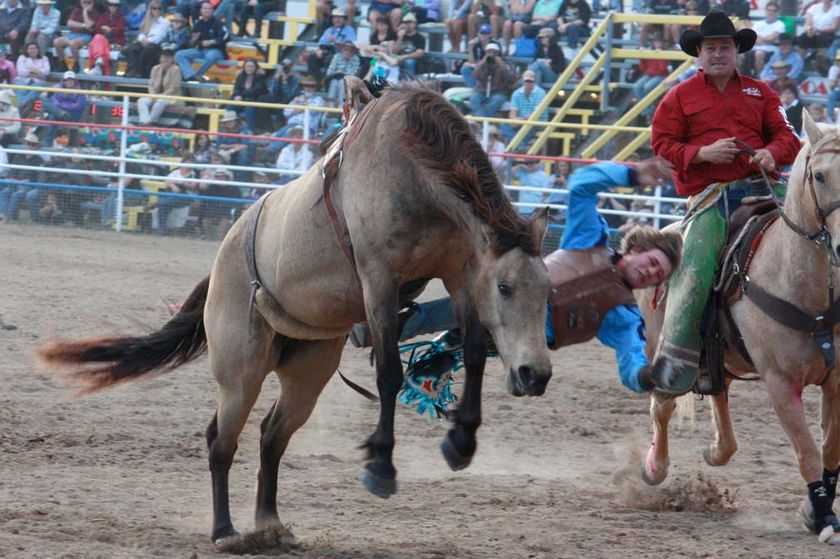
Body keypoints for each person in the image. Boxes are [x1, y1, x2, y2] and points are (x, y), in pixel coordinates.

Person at [350, 159, 689, 396]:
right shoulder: (591, 239)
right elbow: (583, 185)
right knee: (451, 313)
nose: (651, 273)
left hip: (524, 343)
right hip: (509, 299)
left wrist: (646, 376)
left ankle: (433, 357)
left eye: (658, 276)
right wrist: (630, 175)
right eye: (653, 262)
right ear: (638, 247)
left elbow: (631, 358)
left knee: (479, 346)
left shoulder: (626, 315)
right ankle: (370, 331)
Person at [650, 12, 800, 394]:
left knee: (818, 233)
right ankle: (686, 358)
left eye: (725, 48)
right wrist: (702, 154)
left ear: (737, 52)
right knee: (696, 268)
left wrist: (770, 152)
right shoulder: (678, 97)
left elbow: (788, 138)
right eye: (711, 48)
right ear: (698, 54)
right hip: (710, 196)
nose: (718, 54)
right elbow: (662, 146)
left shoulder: (761, 92)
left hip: (763, 188)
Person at [268, 75, 325, 155]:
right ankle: (269, 151)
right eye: (306, 86)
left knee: (287, 135)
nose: (309, 88)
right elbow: (286, 112)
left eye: (312, 86)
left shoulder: (319, 100)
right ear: (303, 87)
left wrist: (300, 106)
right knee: (277, 135)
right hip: (291, 124)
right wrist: (302, 107)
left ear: (315, 88)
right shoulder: (297, 98)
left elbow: (313, 111)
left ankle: (270, 150)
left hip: (306, 127)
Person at [175, 1, 229, 82]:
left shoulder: (219, 23)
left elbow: (226, 36)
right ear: (201, 11)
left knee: (211, 56)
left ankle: (198, 75)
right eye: (205, 8)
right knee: (179, 54)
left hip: (216, 50)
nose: (207, 10)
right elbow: (192, 41)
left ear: (213, 10)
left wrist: (212, 42)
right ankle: (190, 75)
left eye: (209, 8)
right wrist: (194, 41)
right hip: (200, 50)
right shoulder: (198, 23)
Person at [0, 133, 45, 222]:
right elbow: (12, 172)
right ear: (25, 144)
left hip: (29, 185)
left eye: (33, 144)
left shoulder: (39, 160)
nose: (30, 146)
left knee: (16, 194)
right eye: (28, 143)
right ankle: (2, 216)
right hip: (16, 183)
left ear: (36, 146)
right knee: (5, 192)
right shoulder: (18, 157)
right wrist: (14, 179)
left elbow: (39, 177)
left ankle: (8, 218)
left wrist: (28, 181)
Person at [123, 1, 170, 78]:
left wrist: (149, 41)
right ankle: (131, 71)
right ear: (150, 9)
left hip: (156, 45)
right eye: (154, 8)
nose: (157, 10)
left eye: (159, 8)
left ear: (161, 10)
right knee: (134, 48)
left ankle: (143, 73)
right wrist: (143, 40)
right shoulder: (147, 20)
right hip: (145, 41)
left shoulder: (165, 22)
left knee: (147, 50)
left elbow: (161, 36)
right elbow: (141, 33)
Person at [307, 9, 356, 83]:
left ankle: (327, 81)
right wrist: (319, 50)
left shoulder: (349, 30)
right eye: (335, 17)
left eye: (340, 17)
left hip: (341, 54)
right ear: (332, 19)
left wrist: (336, 42)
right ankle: (319, 81)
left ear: (344, 19)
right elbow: (321, 43)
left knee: (330, 58)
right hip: (327, 52)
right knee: (311, 58)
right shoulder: (329, 30)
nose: (337, 20)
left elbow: (350, 45)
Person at [41, 71, 88, 147]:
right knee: (48, 106)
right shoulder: (59, 88)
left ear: (74, 81)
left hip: (72, 116)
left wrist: (61, 107)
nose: (69, 82)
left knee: (52, 112)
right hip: (60, 114)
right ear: (64, 81)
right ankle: (48, 145)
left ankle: (47, 143)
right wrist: (61, 110)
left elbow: (78, 106)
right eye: (67, 80)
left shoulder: (80, 91)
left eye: (71, 80)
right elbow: (54, 100)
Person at [469, 42, 516, 117]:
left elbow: (511, 79)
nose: (492, 54)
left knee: (498, 100)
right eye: (489, 52)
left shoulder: (506, 65)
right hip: (481, 90)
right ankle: (483, 119)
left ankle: (481, 119)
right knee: (474, 98)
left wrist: (502, 66)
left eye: (494, 52)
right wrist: (482, 63)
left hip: (498, 91)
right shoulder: (482, 64)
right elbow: (475, 76)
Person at [153, 155, 197, 233]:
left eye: (191, 162)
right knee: (164, 205)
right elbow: (167, 181)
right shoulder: (176, 171)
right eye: (187, 161)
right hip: (172, 194)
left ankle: (156, 204)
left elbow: (193, 186)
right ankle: (162, 230)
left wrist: (183, 183)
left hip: (186, 196)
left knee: (164, 202)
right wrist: (173, 186)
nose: (188, 164)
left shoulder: (193, 173)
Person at [54, 0, 101, 73]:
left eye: (89, 2)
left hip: (86, 36)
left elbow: (90, 25)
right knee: (57, 42)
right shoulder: (76, 11)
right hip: (72, 34)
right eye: (84, 2)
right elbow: (69, 23)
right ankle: (63, 63)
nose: (86, 4)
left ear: (93, 3)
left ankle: (76, 64)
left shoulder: (95, 13)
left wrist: (85, 12)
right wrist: (83, 25)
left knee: (73, 44)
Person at [138, 49, 182, 125]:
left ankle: (151, 122)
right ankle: (144, 121)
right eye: (164, 57)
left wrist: (161, 96)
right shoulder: (155, 68)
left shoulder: (176, 69)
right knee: (141, 101)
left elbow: (174, 88)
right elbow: (151, 85)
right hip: (155, 95)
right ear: (160, 58)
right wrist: (154, 95)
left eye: (168, 57)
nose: (166, 59)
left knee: (160, 102)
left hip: (171, 97)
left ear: (172, 59)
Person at [501, 69, 547, 142]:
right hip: (522, 121)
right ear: (523, 81)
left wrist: (518, 120)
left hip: (537, 122)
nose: (528, 83)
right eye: (526, 81)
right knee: (504, 125)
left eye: (530, 81)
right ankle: (521, 147)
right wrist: (515, 120)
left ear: (534, 81)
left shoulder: (541, 93)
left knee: (529, 126)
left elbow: (536, 114)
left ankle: (517, 147)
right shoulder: (516, 93)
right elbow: (513, 113)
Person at [230, 57, 268, 130]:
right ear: (244, 67)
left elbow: (254, 91)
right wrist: (237, 95)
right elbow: (236, 88)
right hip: (243, 100)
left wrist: (241, 95)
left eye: (252, 66)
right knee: (230, 108)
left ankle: (251, 130)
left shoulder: (260, 77)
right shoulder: (240, 76)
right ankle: (231, 129)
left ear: (256, 67)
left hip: (256, 100)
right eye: (247, 66)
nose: (249, 68)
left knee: (249, 108)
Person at [216, 110, 252, 183]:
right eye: (227, 121)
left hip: (238, 153)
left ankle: (240, 180)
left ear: (235, 121)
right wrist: (234, 146)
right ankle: (221, 177)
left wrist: (231, 151)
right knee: (219, 153)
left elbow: (245, 145)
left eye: (231, 121)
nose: (229, 123)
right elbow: (219, 145)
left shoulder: (243, 128)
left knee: (243, 153)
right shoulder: (221, 129)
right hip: (226, 151)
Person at [14, 42, 51, 114]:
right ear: (27, 50)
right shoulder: (22, 57)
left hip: (38, 81)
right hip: (22, 80)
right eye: (30, 48)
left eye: (35, 48)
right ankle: (24, 109)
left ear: (38, 49)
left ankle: (20, 109)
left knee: (34, 91)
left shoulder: (44, 58)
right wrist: (33, 71)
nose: (33, 50)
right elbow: (20, 71)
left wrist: (36, 71)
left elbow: (47, 71)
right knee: (21, 91)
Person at [751, 1, 785, 75]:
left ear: (778, 12)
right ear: (766, 11)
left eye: (774, 11)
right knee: (740, 53)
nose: (771, 12)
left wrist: (758, 38)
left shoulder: (780, 24)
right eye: (769, 10)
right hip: (755, 47)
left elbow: (771, 38)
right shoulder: (758, 23)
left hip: (771, 48)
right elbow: (751, 38)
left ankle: (759, 77)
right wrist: (763, 40)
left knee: (759, 54)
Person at [461, 23, 498, 88]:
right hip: (478, 68)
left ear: (490, 34)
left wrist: (476, 65)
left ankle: (478, 90)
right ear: (478, 34)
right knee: (465, 69)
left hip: (491, 68)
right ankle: (475, 89)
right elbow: (472, 61)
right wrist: (470, 48)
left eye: (486, 34)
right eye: (481, 33)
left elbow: (490, 62)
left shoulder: (494, 45)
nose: (483, 36)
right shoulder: (476, 44)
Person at [394, 12, 426, 79]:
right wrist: (399, 38)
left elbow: (420, 53)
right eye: (406, 23)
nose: (408, 25)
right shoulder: (399, 35)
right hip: (399, 57)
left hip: (412, 59)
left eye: (410, 22)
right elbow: (395, 51)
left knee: (409, 62)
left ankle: (408, 85)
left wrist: (404, 57)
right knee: (390, 60)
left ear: (415, 24)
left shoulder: (420, 37)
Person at [828, 52, 840, 123]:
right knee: (832, 95)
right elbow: (831, 87)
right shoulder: (833, 69)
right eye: (838, 60)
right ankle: (830, 117)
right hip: (838, 92)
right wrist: (837, 77)